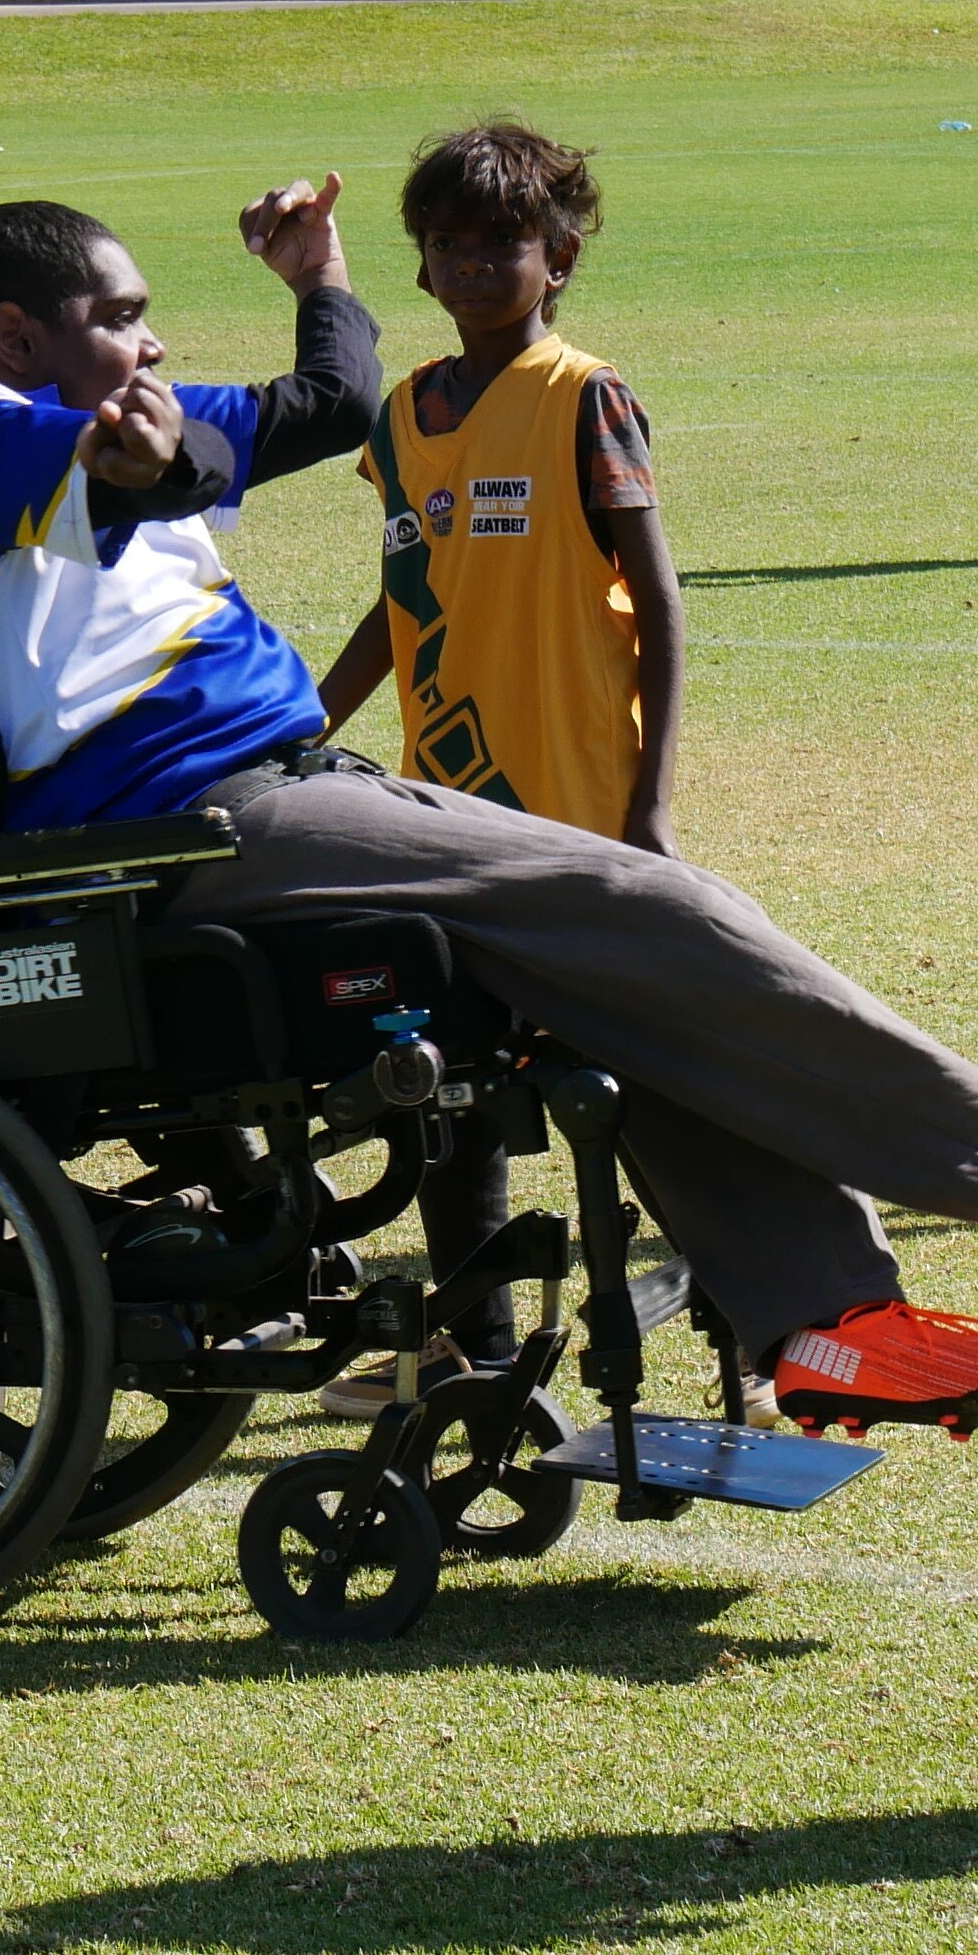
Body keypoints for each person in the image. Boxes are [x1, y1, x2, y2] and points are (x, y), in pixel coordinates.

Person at [0, 186, 978, 1443]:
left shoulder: (58, 418)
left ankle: (830, 1326)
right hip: (184, 828)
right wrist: (129, 460)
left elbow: (329, 405)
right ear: (18, 336)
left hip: (278, 795)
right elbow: (75, 465)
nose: (148, 345)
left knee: (617, 983)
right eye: (122, 319)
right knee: (649, 905)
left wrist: (321, 280)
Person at [309, 120, 679, 1419]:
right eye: (449, 246)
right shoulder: (408, 415)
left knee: (616, 1079)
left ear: (559, 253)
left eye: (501, 244)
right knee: (453, 1092)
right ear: (420, 267)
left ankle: (700, 1259)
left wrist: (651, 805)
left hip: (577, 813)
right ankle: (464, 1349)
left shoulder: (585, 398)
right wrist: (306, 716)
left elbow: (661, 605)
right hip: (444, 820)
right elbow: (403, 589)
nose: (473, 267)